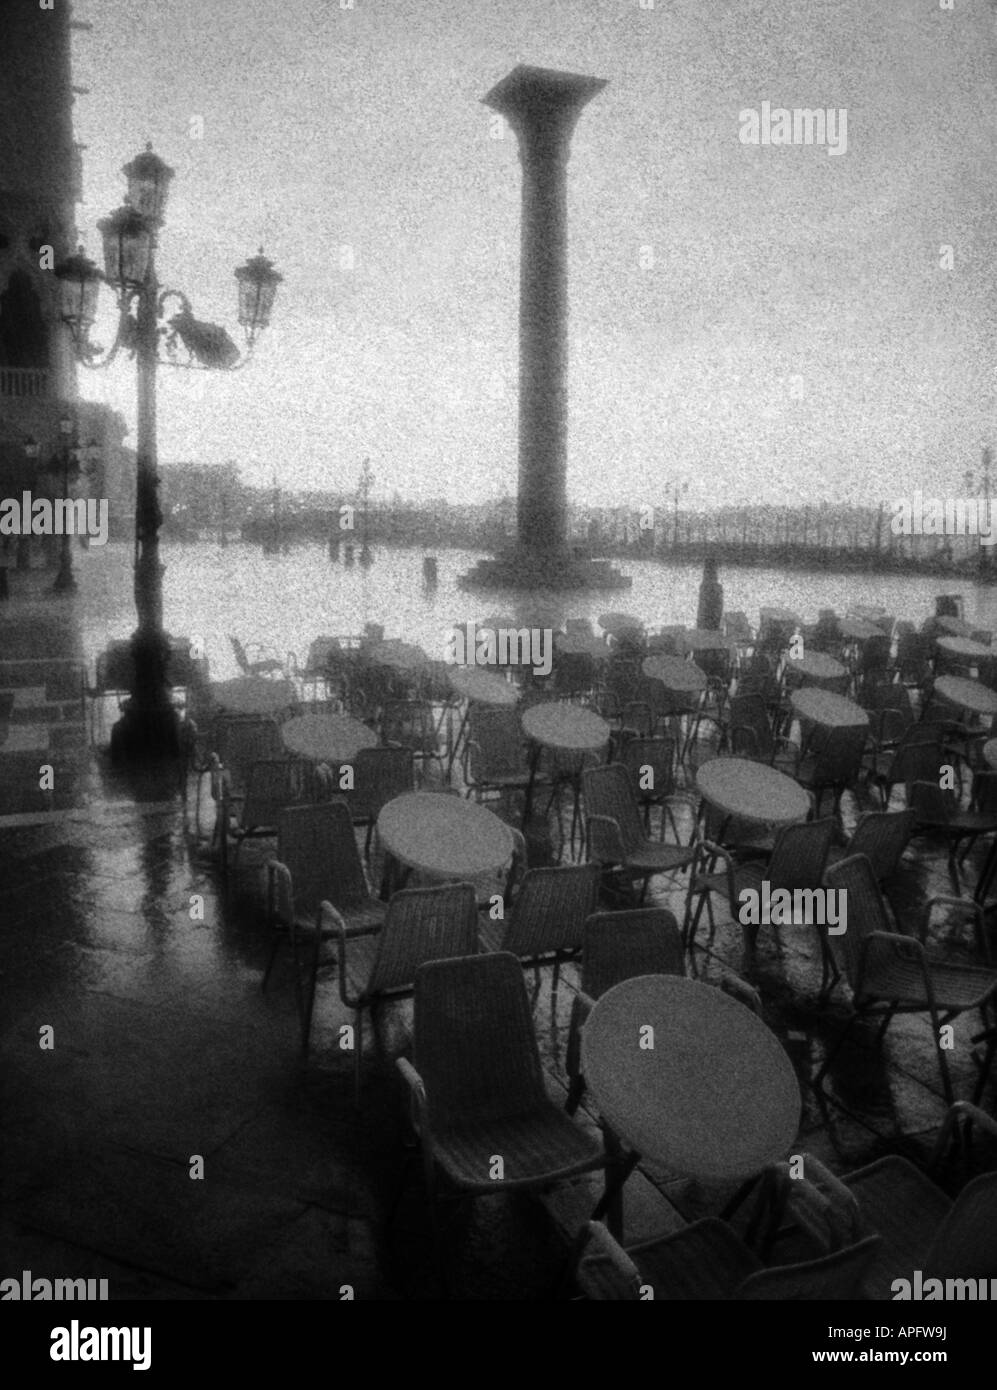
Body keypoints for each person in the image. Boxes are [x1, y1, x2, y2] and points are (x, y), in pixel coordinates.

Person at [696, 554, 724, 631]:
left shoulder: (705, 586)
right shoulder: (714, 587)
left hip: (709, 618)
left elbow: (702, 606)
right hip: (711, 618)